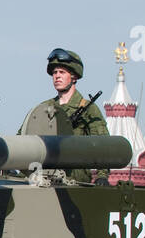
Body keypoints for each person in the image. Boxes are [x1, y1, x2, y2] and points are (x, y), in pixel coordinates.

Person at [18, 48, 109, 182]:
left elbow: (103, 144)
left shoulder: (88, 108)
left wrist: (102, 176)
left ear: (74, 76)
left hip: (74, 180)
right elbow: (22, 139)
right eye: (54, 72)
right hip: (42, 177)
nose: (57, 76)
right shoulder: (43, 108)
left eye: (62, 72)